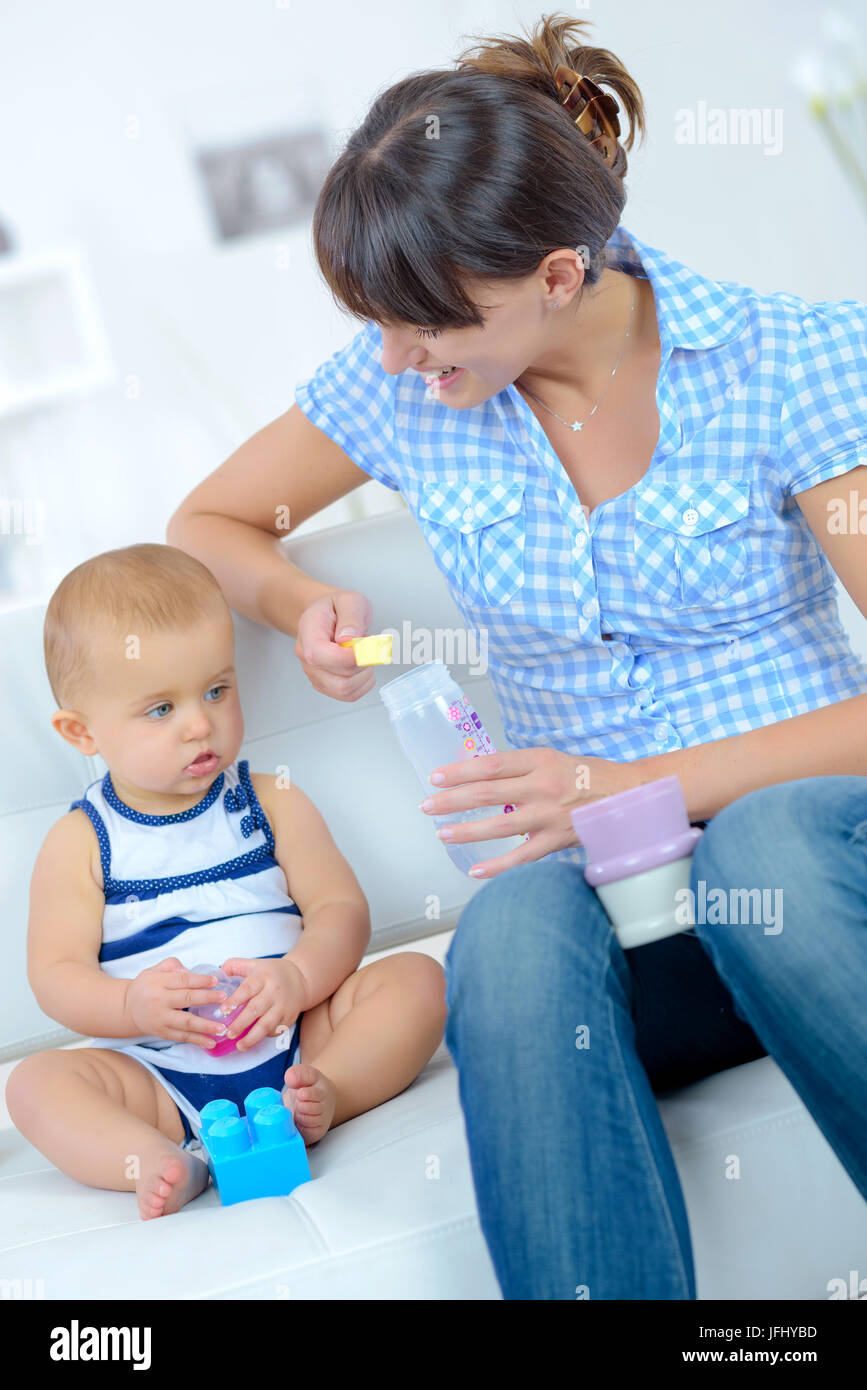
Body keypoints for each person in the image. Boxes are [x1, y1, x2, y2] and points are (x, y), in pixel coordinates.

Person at [165, 13, 867, 1294]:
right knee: (506, 936)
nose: (393, 356)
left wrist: (625, 785)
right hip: (633, 933)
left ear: (556, 275)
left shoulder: (795, 358)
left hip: (820, 898)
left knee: (766, 839)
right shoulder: (410, 387)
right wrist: (293, 596)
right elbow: (208, 524)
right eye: (376, 320)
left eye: (427, 323)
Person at [6, 544, 446, 1220]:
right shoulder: (81, 842)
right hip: (161, 1072)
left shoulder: (272, 801)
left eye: (216, 689)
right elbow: (55, 976)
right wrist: (131, 1008)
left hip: (300, 1038)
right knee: (38, 1084)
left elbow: (339, 911)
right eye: (160, 709)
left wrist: (298, 977)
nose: (199, 723)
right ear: (80, 732)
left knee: (415, 979)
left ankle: (327, 1095)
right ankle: (152, 1157)